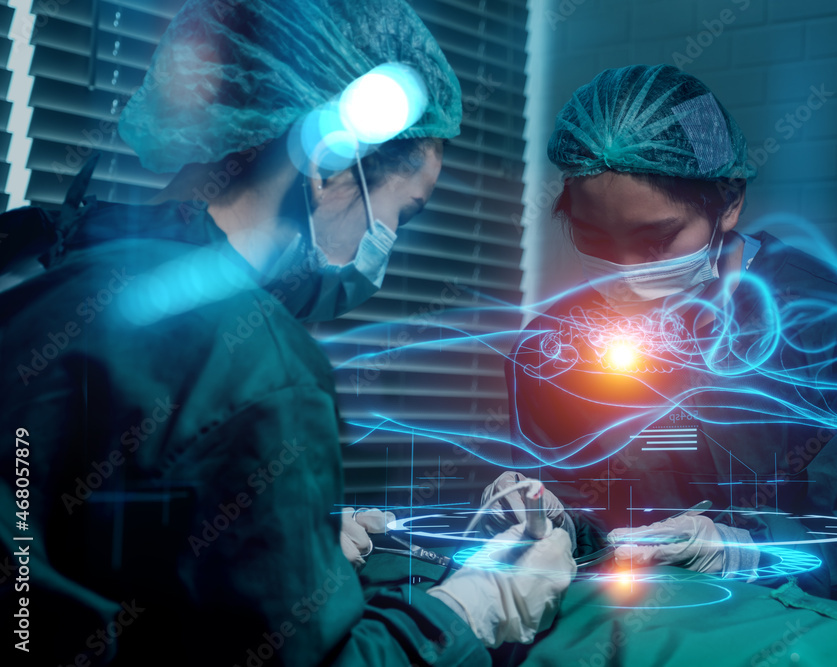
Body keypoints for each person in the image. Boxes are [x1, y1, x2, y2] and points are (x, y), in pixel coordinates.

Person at [0, 1, 573, 664]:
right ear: (329, 166)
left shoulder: (56, 271)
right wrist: (477, 605)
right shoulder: (257, 366)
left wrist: (288, 540)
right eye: (402, 217)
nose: (386, 249)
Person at [505, 64, 837, 608]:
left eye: (657, 239)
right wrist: (549, 523)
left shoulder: (830, 327)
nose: (626, 272)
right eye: (593, 237)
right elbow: (569, 512)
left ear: (730, 200)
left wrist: (744, 554)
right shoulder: (554, 346)